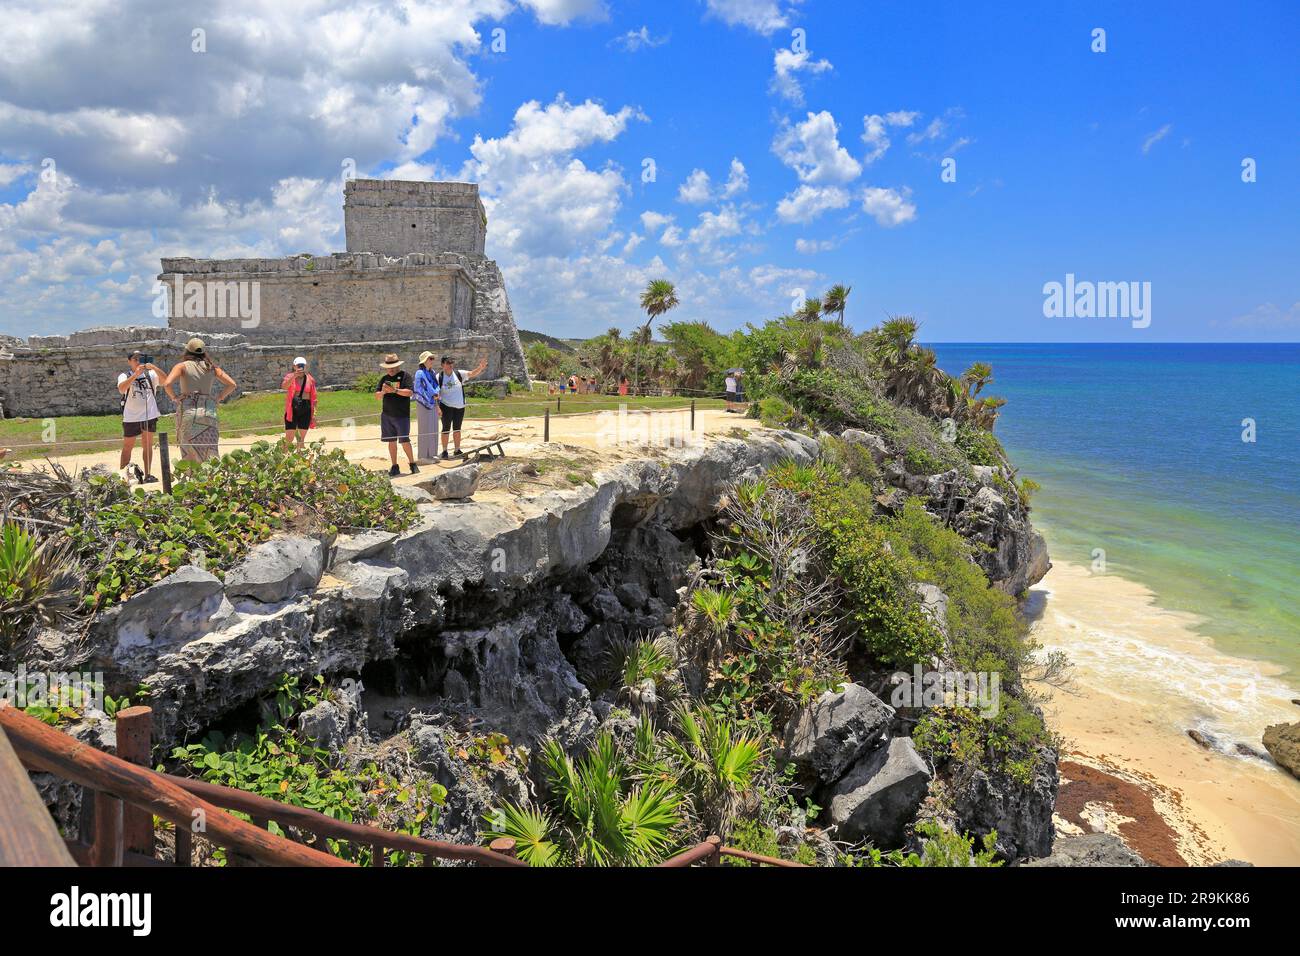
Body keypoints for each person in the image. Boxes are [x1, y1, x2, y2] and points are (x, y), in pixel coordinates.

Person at [162, 338, 237, 463]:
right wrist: (218, 398)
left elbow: (167, 384)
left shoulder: (182, 366)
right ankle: (211, 480)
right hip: (209, 412)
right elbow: (232, 384)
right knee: (210, 452)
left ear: (187, 351)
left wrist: (174, 397)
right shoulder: (211, 368)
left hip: (189, 412)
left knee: (190, 455)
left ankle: (193, 480)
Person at [117, 350, 164, 482]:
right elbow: (121, 389)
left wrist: (154, 367)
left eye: (140, 358)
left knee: (147, 446)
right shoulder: (124, 375)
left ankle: (148, 474)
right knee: (127, 446)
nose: (138, 361)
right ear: (129, 361)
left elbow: (165, 381)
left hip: (149, 415)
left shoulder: (151, 374)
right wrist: (135, 375)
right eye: (135, 359)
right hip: (131, 416)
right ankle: (123, 477)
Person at [436, 355, 488, 459]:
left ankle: (457, 450)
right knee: (446, 429)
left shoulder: (458, 374)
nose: (450, 365)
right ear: (442, 365)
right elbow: (435, 393)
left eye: (451, 362)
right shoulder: (439, 377)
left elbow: (471, 374)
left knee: (457, 429)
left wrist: (480, 368)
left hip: (460, 406)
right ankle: (445, 451)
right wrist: (437, 407)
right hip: (446, 406)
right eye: (448, 363)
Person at [376, 353, 418, 477]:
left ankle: (412, 464)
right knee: (391, 442)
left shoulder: (405, 376)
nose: (391, 369)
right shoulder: (384, 379)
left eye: (393, 366)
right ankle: (394, 466)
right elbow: (377, 396)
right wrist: (383, 391)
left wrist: (394, 390)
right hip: (387, 415)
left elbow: (410, 392)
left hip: (402, 415)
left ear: (398, 366)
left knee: (405, 441)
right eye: (389, 367)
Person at [281, 356, 317, 449]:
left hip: (306, 408)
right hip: (293, 408)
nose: (300, 367)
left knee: (301, 439)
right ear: (294, 366)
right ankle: (283, 456)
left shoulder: (310, 378)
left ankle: (300, 460)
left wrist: (314, 413)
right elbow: (284, 386)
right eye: (298, 365)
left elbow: (314, 397)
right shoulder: (290, 376)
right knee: (289, 437)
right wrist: (294, 376)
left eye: (302, 365)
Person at [413, 351, 442, 462]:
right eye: (430, 358)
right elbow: (420, 388)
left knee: (433, 427)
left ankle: (431, 453)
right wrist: (433, 394)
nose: (432, 360)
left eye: (432, 358)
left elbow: (435, 385)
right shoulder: (419, 373)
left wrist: (437, 392)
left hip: (433, 402)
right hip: (423, 403)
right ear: (424, 361)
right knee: (424, 428)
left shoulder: (432, 372)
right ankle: (423, 456)